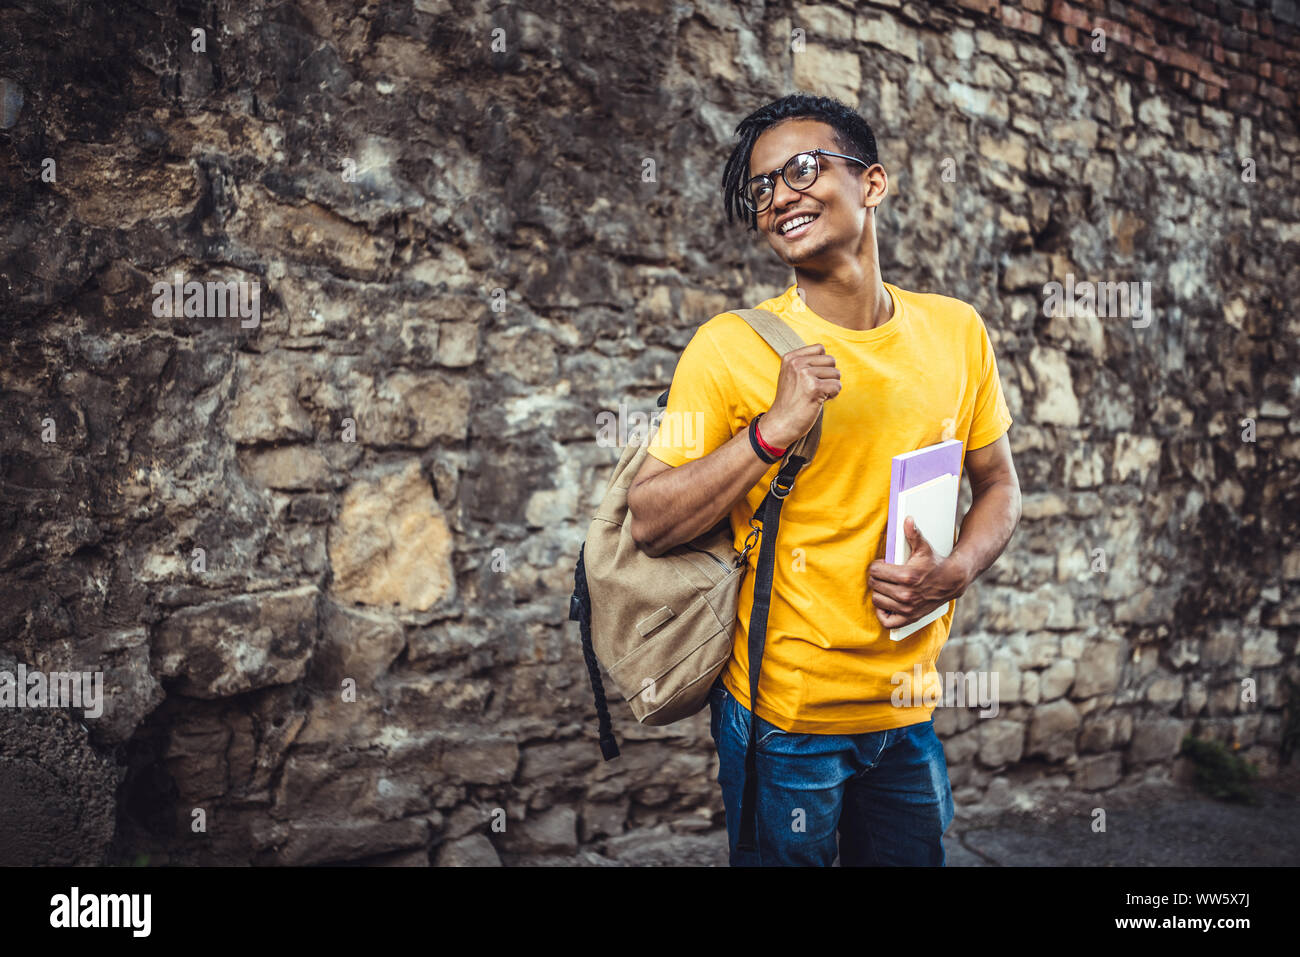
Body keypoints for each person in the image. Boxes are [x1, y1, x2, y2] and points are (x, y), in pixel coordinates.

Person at [626, 93, 1022, 866]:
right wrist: (772, 430)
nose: (779, 195)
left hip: (907, 712)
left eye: (802, 168)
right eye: (762, 187)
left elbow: (999, 484)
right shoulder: (729, 347)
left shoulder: (957, 331)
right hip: (782, 721)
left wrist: (957, 569)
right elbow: (649, 515)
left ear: (872, 184)